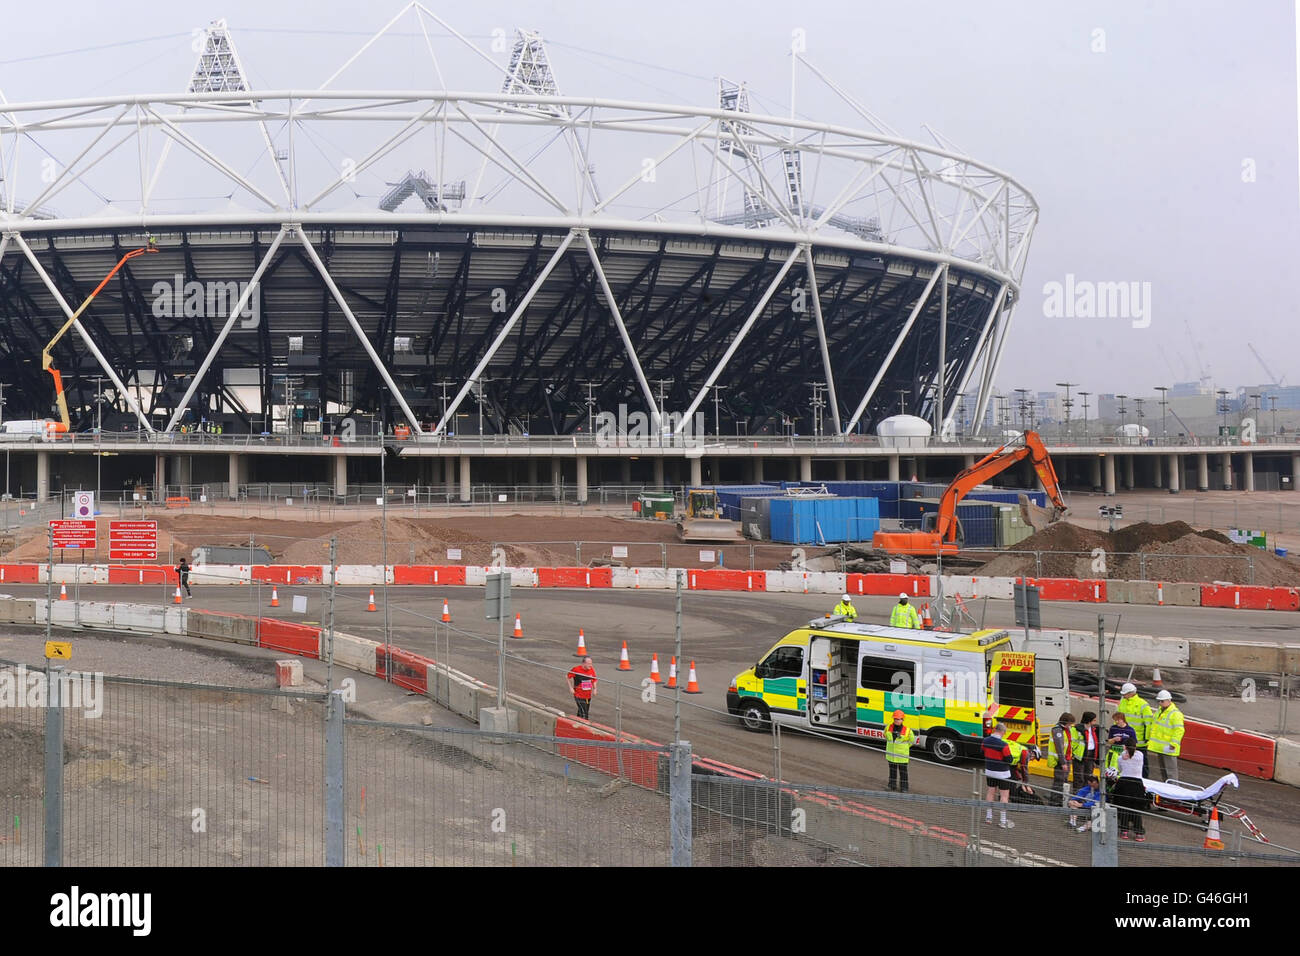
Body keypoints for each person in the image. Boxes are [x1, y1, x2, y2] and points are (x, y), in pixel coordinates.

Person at [981, 721, 1015, 828]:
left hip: (990, 771)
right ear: (1003, 732)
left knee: (990, 793)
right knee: (1004, 796)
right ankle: (1003, 820)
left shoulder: (985, 741)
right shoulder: (1003, 745)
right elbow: (1009, 760)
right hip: (1003, 773)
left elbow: (982, 753)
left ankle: (988, 817)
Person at [1113, 740, 1147, 841]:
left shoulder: (1121, 757)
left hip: (1124, 782)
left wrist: (1124, 753)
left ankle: (1124, 831)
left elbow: (1120, 768)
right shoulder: (1140, 756)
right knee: (1135, 809)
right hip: (1136, 784)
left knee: (1123, 808)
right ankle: (1138, 832)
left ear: (1125, 747)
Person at [1148, 689, 1185, 783]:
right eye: (1159, 701)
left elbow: (1179, 730)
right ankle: (1166, 788)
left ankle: (1173, 790)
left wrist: (1173, 743)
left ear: (1169, 700)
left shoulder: (1175, 714)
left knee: (1171, 772)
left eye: (1162, 701)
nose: (1160, 703)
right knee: (1164, 771)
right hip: (1160, 747)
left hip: (1169, 747)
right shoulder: (1160, 711)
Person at [1117, 682, 1154, 764]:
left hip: (1139, 740)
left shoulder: (1143, 704)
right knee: (1125, 760)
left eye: (1125, 694)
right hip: (1124, 737)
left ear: (1131, 693)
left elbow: (1149, 723)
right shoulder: (1123, 702)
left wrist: (1147, 738)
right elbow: (1118, 718)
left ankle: (1143, 776)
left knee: (1141, 761)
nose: (1123, 696)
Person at [1049, 712, 1078, 808]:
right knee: (1059, 781)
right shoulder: (1057, 730)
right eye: (1070, 723)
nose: (1071, 725)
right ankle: (1054, 801)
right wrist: (1063, 762)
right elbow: (1059, 748)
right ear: (1066, 722)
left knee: (1064, 781)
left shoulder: (1066, 729)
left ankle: (1061, 800)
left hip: (1067, 758)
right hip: (1060, 760)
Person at [883, 710, 916, 793]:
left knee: (903, 772)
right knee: (892, 771)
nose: (897, 720)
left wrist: (904, 747)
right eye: (895, 719)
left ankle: (904, 788)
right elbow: (885, 736)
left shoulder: (908, 730)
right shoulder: (888, 728)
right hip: (891, 755)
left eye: (899, 719)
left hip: (902, 756)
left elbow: (911, 741)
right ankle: (892, 786)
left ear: (902, 720)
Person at [1076, 711, 1101, 780]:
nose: (1095, 722)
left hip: (1091, 754)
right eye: (1094, 720)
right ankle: (1079, 790)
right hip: (1081, 754)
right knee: (1079, 776)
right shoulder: (1078, 729)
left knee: (1089, 775)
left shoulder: (1095, 729)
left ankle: (1087, 789)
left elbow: (1098, 742)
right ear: (1089, 720)